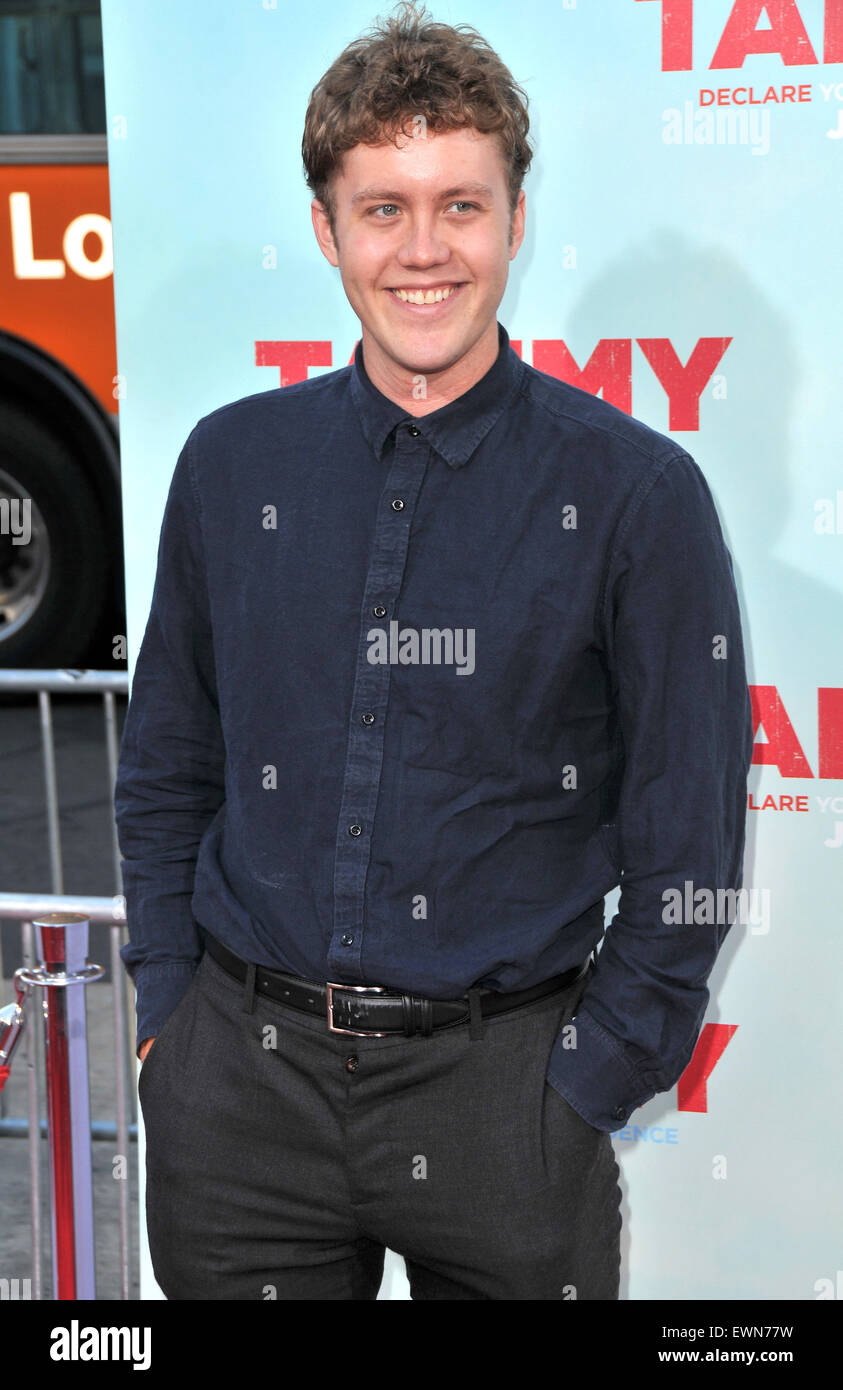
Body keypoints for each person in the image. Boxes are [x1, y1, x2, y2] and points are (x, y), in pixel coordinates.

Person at [115, 0, 754, 1301]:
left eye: (461, 206)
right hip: (241, 1099)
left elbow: (688, 839)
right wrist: (169, 1026)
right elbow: (169, 766)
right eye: (384, 207)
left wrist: (579, 1087)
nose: (424, 250)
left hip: (508, 1102)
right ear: (327, 229)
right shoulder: (232, 467)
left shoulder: (636, 496)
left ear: (517, 221)